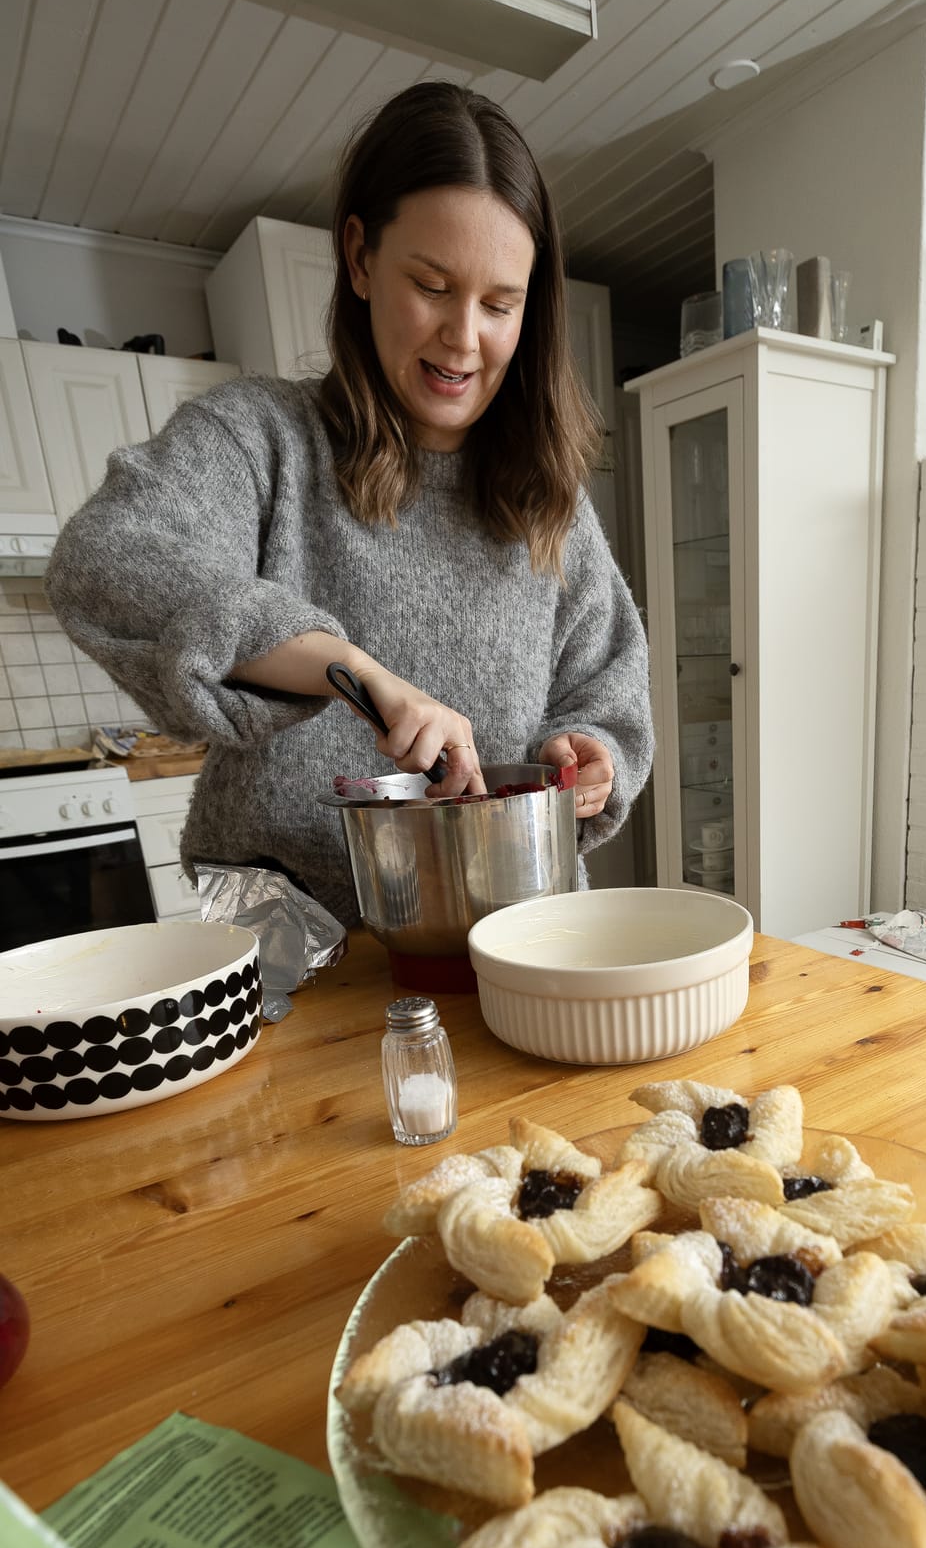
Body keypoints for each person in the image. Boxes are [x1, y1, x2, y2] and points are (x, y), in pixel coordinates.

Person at [46, 83, 652, 926]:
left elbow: (607, 695)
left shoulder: (551, 502)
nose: (465, 336)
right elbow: (107, 558)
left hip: (515, 935)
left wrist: (592, 757)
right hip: (295, 944)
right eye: (433, 285)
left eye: (500, 304)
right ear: (361, 258)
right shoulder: (260, 437)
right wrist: (356, 672)